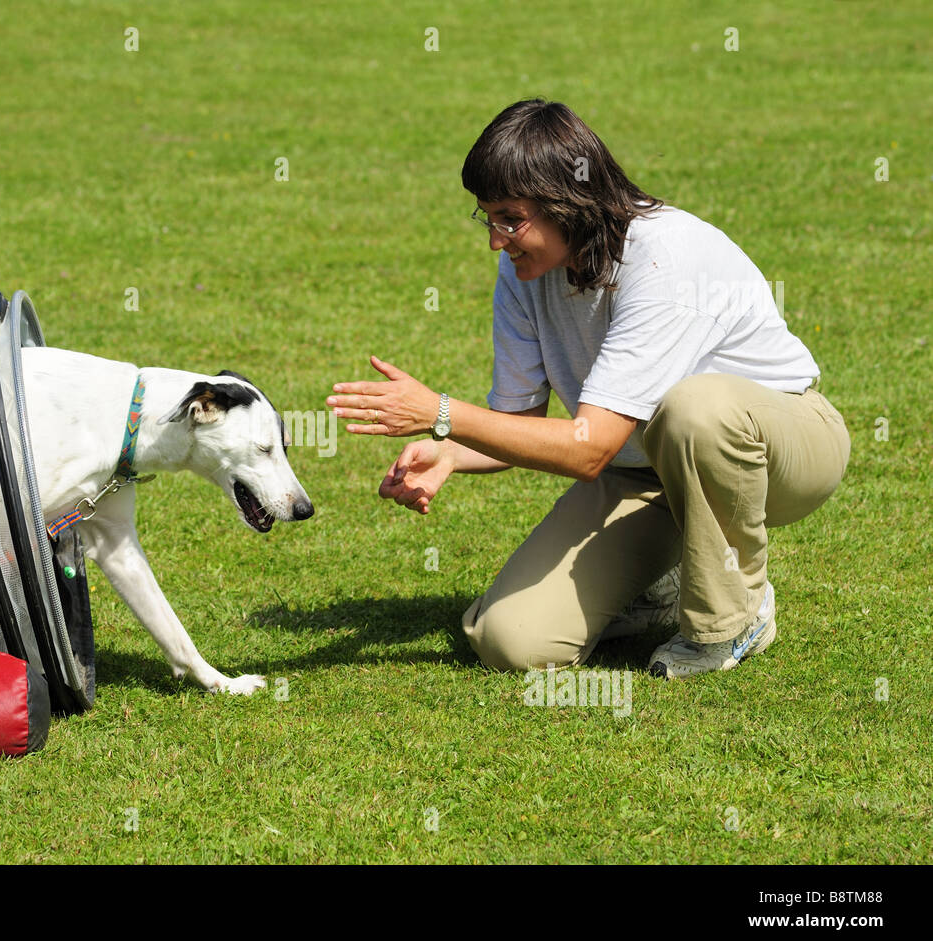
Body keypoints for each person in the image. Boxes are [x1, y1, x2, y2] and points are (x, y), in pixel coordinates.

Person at [327, 99, 850, 679]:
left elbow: (589, 448)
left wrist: (441, 411)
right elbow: (517, 418)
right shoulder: (523, 275)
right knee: (510, 640)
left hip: (784, 450)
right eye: (487, 218)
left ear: (567, 204)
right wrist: (448, 450)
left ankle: (731, 619)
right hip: (642, 468)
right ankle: (662, 587)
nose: (496, 241)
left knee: (694, 410)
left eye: (511, 219)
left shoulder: (664, 258)